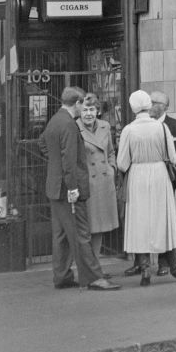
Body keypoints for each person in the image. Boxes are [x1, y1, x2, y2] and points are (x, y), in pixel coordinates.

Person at [39, 85, 120, 291]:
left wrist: (55, 167)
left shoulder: (55, 120)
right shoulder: (68, 124)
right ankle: (93, 277)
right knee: (81, 233)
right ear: (76, 103)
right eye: (82, 104)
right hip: (69, 189)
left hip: (55, 187)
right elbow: (70, 159)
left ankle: (62, 276)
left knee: (61, 235)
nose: (84, 107)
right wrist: (73, 188)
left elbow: (45, 145)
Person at [124, 90, 176, 278]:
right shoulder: (152, 129)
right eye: (151, 101)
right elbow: (170, 155)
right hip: (158, 176)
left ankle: (165, 264)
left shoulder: (174, 126)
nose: (153, 105)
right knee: (147, 220)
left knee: (161, 221)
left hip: (160, 178)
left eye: (157, 102)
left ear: (166, 106)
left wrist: (174, 172)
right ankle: (143, 263)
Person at [76, 92, 119, 266]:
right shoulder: (74, 128)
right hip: (88, 184)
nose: (88, 113)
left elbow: (110, 151)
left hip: (103, 182)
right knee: (88, 228)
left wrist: (112, 169)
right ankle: (89, 267)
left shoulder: (105, 126)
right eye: (85, 109)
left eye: (92, 109)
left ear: (97, 111)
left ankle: (96, 265)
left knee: (100, 227)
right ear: (79, 111)